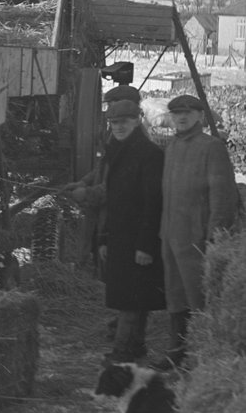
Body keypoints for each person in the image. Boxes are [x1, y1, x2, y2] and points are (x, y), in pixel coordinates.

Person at [156, 94, 240, 369]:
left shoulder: (211, 147)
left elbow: (222, 195)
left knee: (199, 297)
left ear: (200, 117)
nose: (181, 118)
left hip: (197, 238)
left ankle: (203, 356)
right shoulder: (172, 147)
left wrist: (215, 236)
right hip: (171, 235)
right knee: (176, 295)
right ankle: (176, 350)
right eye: (176, 114)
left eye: (188, 113)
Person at [94, 99, 166, 363]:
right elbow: (113, 201)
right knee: (133, 295)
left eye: (124, 121)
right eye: (114, 122)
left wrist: (146, 245)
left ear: (137, 121)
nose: (119, 127)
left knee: (131, 298)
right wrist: (104, 238)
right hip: (121, 237)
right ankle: (135, 347)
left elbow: (153, 203)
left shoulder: (149, 154)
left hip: (138, 238)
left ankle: (123, 351)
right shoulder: (116, 151)